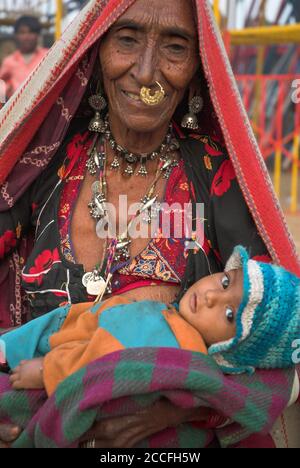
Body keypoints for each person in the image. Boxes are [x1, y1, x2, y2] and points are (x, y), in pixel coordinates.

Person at [0, 0, 299, 449]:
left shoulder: (214, 175)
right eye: (127, 39)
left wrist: (178, 406)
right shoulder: (45, 162)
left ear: (198, 69)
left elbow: (284, 333)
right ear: (95, 53)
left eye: (175, 47)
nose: (145, 72)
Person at [1, 246, 299, 396]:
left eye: (230, 314)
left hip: (50, 374)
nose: (211, 297)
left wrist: (47, 372)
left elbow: (106, 363)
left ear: (228, 349)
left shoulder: (174, 344)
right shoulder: (174, 322)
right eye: (224, 283)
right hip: (56, 345)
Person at [0, 16, 48, 99]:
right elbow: (2, 86)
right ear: (16, 35)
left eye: (31, 32)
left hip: (45, 107)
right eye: (22, 33)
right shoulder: (9, 61)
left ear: (37, 35)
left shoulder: (48, 56)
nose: (26, 37)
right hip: (18, 109)